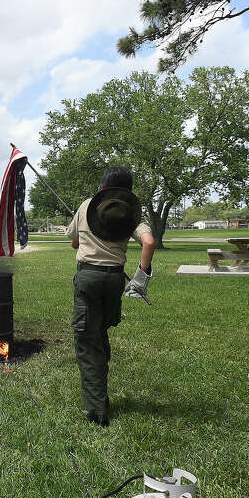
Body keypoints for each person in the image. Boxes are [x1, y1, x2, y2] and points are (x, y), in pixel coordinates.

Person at [66, 167, 156, 426]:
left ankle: (96, 411)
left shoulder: (86, 205)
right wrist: (140, 279)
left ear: (102, 188)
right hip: (114, 279)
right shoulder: (131, 212)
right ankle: (100, 393)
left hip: (89, 277)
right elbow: (149, 242)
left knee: (87, 342)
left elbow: (73, 242)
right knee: (99, 333)